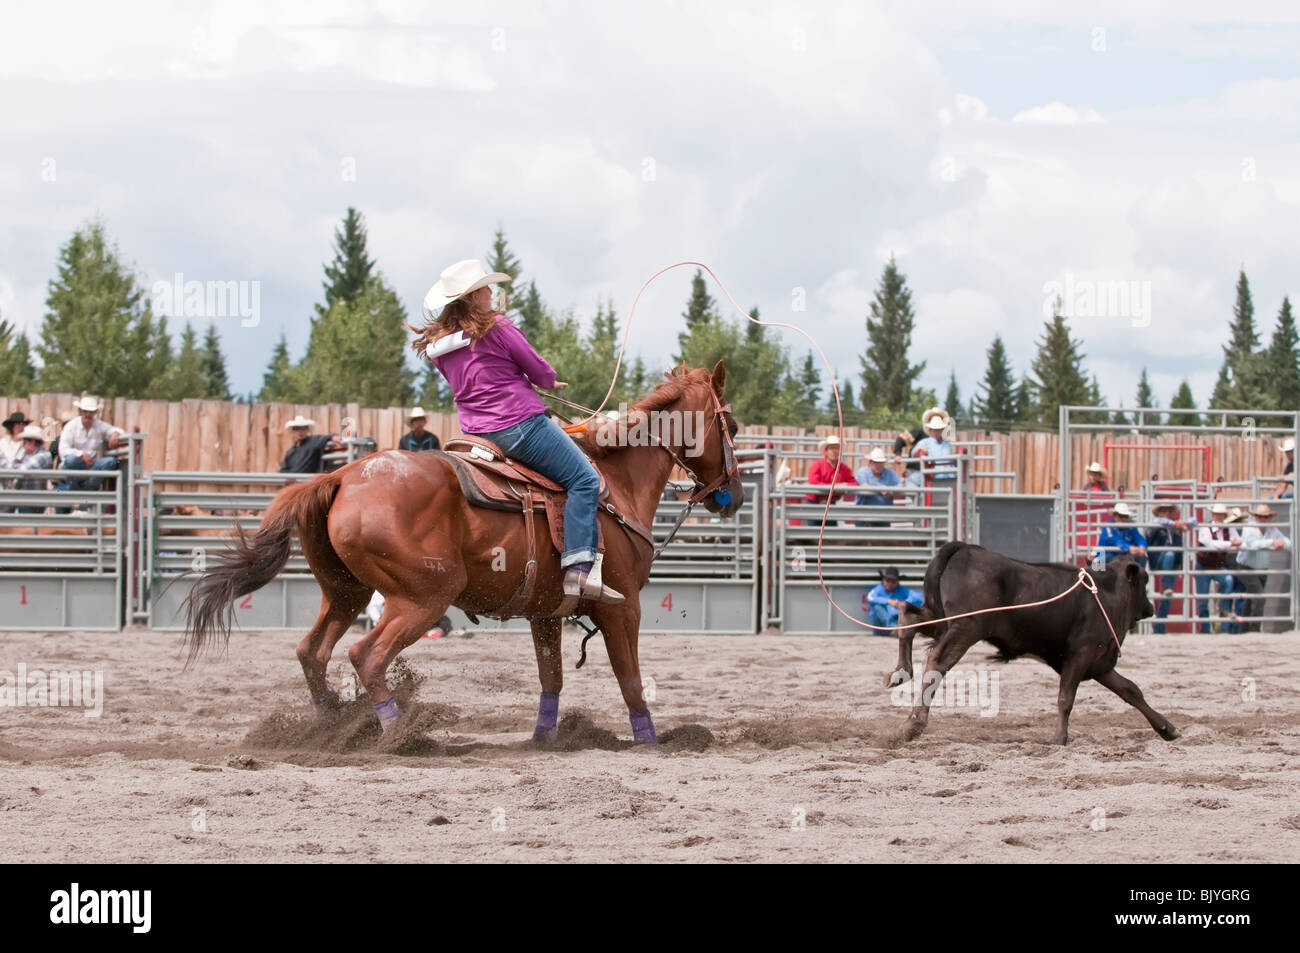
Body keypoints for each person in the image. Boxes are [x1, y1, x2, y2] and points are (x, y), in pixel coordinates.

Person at [411, 258, 621, 604]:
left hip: (476, 435)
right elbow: (538, 370)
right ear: (474, 295)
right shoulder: (497, 326)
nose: (492, 291)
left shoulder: (440, 345)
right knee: (584, 479)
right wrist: (550, 381)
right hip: (520, 426)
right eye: (486, 287)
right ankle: (578, 566)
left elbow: (481, 376)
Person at [1236, 503, 1291, 632]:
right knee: (1260, 597)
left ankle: (1244, 629)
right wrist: (1273, 543)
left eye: (1265, 517)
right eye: (1260, 517)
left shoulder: (1272, 530)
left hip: (1261, 569)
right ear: (1255, 517)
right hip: (1246, 568)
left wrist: (1282, 543)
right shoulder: (1249, 528)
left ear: (1269, 518)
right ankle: (1254, 628)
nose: (1263, 519)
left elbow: (1288, 542)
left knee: (1252, 599)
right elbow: (1253, 544)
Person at [56, 396, 124, 496]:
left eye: (91, 412)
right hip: (75, 466)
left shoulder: (99, 425)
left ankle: (87, 488)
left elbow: (118, 430)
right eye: (85, 411)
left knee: (111, 462)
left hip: (91, 466)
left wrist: (115, 433)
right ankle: (80, 491)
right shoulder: (71, 426)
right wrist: (80, 454)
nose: (88, 414)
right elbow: (63, 450)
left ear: (95, 413)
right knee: (71, 460)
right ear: (80, 411)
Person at [1195, 503, 1242, 634]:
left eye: (1221, 515)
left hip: (1217, 565)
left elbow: (1239, 542)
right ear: (1213, 515)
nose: (1219, 517)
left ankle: (1224, 613)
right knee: (1203, 602)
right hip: (1203, 567)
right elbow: (1211, 545)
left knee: (1228, 581)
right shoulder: (1205, 528)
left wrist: (1229, 544)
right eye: (1217, 514)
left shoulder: (1229, 528)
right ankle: (1205, 631)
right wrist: (1230, 544)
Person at [1146, 502, 1193, 633]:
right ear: (1159, 512)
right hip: (1157, 560)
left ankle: (1159, 628)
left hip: (1171, 564)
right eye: (1163, 510)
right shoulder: (1156, 523)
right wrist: (1175, 524)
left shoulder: (1174, 526)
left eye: (1169, 511)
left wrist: (1182, 524)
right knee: (1170, 555)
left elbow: (1194, 522)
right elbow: (1155, 523)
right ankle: (1166, 586)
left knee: (1167, 597)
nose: (1166, 513)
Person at [805, 435, 856, 527]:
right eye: (831, 448)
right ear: (826, 451)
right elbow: (814, 482)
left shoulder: (843, 468)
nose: (834, 451)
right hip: (815, 503)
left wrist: (846, 485)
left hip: (831, 504)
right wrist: (836, 486)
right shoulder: (817, 465)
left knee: (830, 533)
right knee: (813, 532)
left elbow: (854, 483)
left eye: (836, 448)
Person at [1, 425, 53, 514]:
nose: (23, 443)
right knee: (6, 504)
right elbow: (12, 466)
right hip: (20, 495)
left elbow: (23, 470)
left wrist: (15, 466)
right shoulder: (24, 453)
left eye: (25, 441)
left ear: (33, 442)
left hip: (34, 498)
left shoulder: (44, 455)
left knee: (21, 506)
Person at [864, 566, 924, 634]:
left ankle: (897, 629)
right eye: (888, 580)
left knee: (910, 607)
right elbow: (870, 597)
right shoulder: (878, 589)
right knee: (877, 607)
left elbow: (919, 597)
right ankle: (894, 629)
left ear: (897, 582)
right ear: (883, 580)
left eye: (893, 581)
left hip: (897, 621)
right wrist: (888, 601)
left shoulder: (901, 590)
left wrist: (903, 603)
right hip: (881, 627)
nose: (890, 584)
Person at [1093, 501, 1148, 567]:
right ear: (1115, 516)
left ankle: (1136, 577)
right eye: (1121, 516)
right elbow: (1113, 540)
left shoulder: (1130, 527)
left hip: (1123, 556)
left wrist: (1141, 546)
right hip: (1106, 555)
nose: (1124, 518)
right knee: (1119, 562)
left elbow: (1139, 537)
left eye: (1126, 516)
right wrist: (1129, 548)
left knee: (1141, 557)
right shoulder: (1108, 526)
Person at [911, 409, 957, 485]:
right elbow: (913, 454)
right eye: (934, 429)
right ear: (930, 430)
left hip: (948, 477)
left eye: (939, 429)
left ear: (942, 430)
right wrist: (920, 450)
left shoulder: (947, 444)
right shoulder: (925, 442)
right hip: (933, 478)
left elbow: (951, 461)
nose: (936, 432)